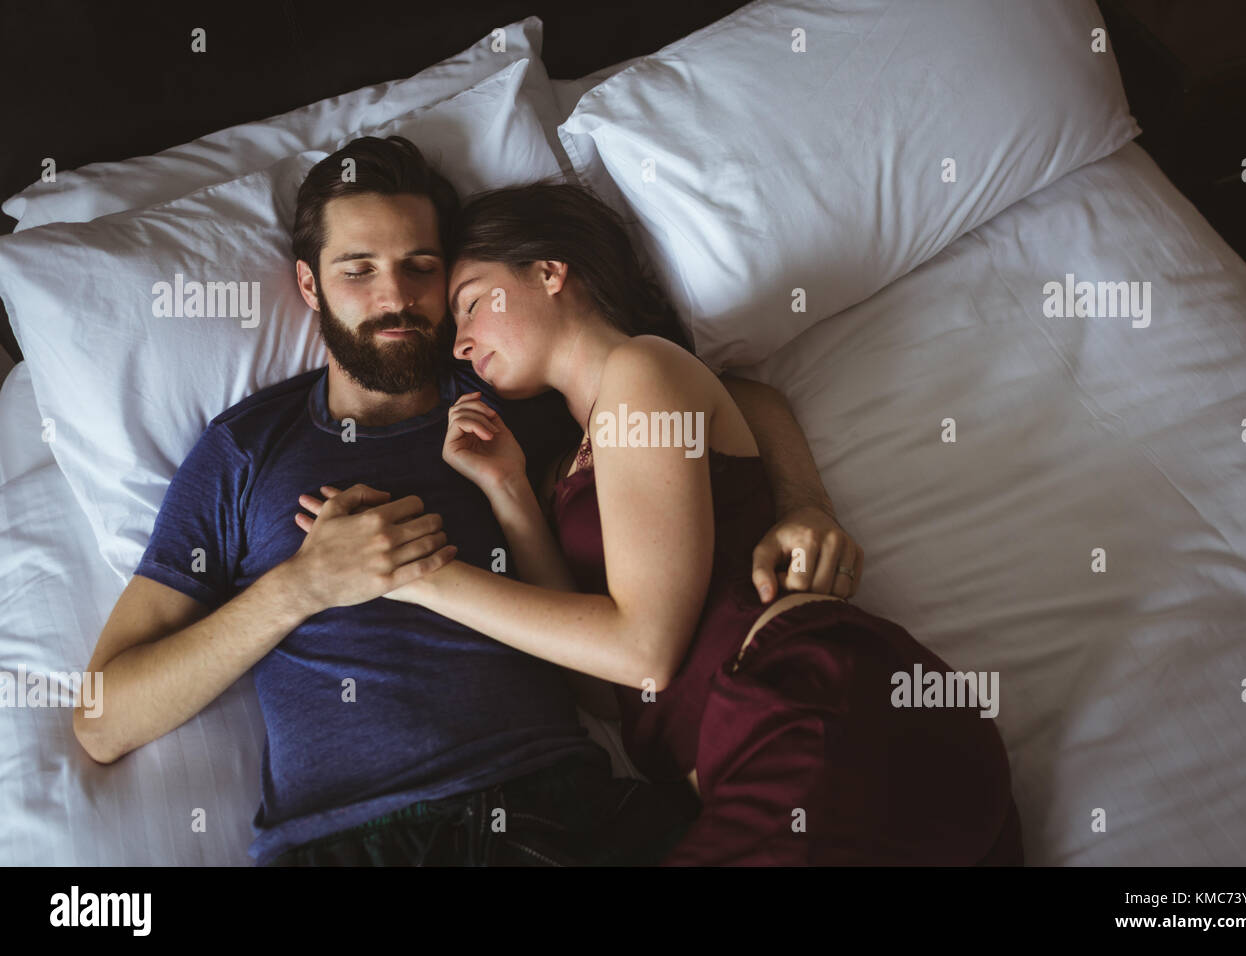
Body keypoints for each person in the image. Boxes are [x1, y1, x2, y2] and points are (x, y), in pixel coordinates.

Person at [73, 136, 866, 867]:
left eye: (421, 266)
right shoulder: (244, 451)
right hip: (349, 839)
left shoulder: (509, 392)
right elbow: (103, 719)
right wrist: (299, 588)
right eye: (358, 269)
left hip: (560, 811)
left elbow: (730, 395)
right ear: (309, 285)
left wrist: (806, 502)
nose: (396, 297)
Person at [304, 182, 1024, 865]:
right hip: (754, 770)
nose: (459, 343)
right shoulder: (573, 460)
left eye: (469, 304)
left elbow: (644, 652)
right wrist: (513, 492)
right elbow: (605, 693)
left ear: (550, 272)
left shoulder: (642, 370)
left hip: (809, 716)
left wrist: (413, 573)